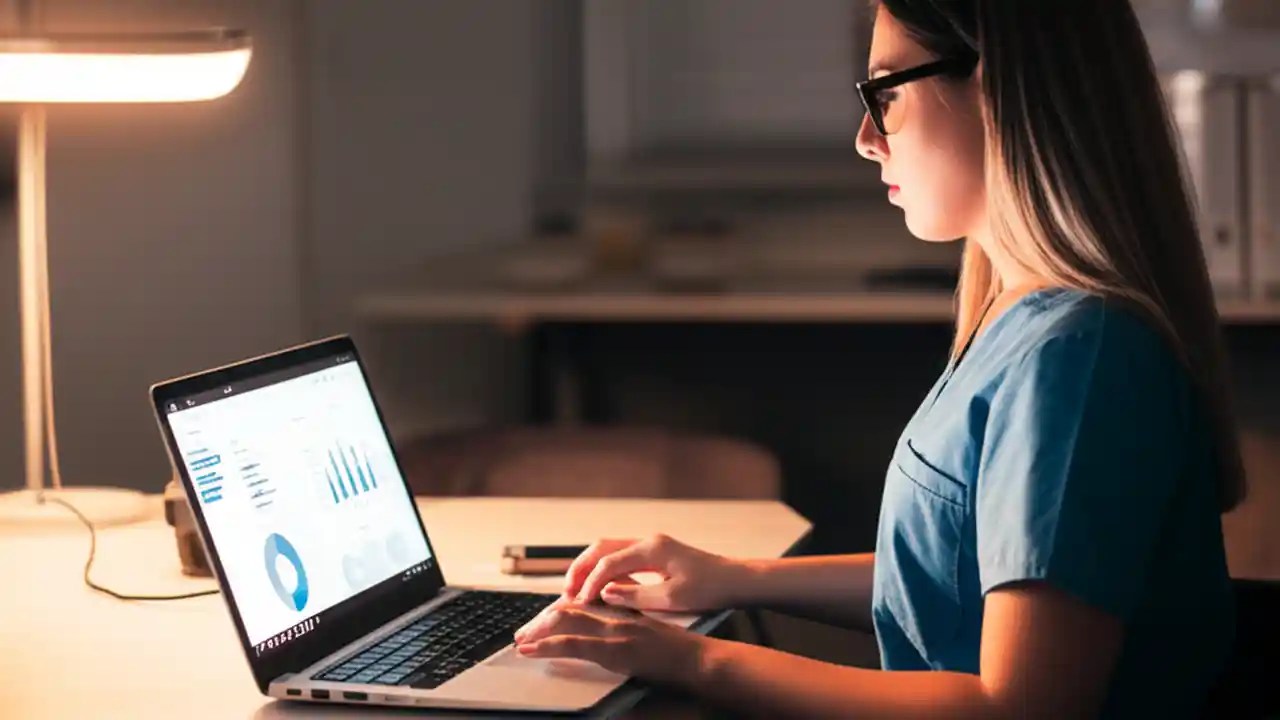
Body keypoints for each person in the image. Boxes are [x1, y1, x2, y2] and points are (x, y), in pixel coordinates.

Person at [513, 1, 1243, 716]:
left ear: (997, 86)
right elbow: (956, 580)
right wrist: (734, 579)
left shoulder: (1077, 358)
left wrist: (691, 660)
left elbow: (1019, 705)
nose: (867, 138)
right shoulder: (1022, 320)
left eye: (886, 94)